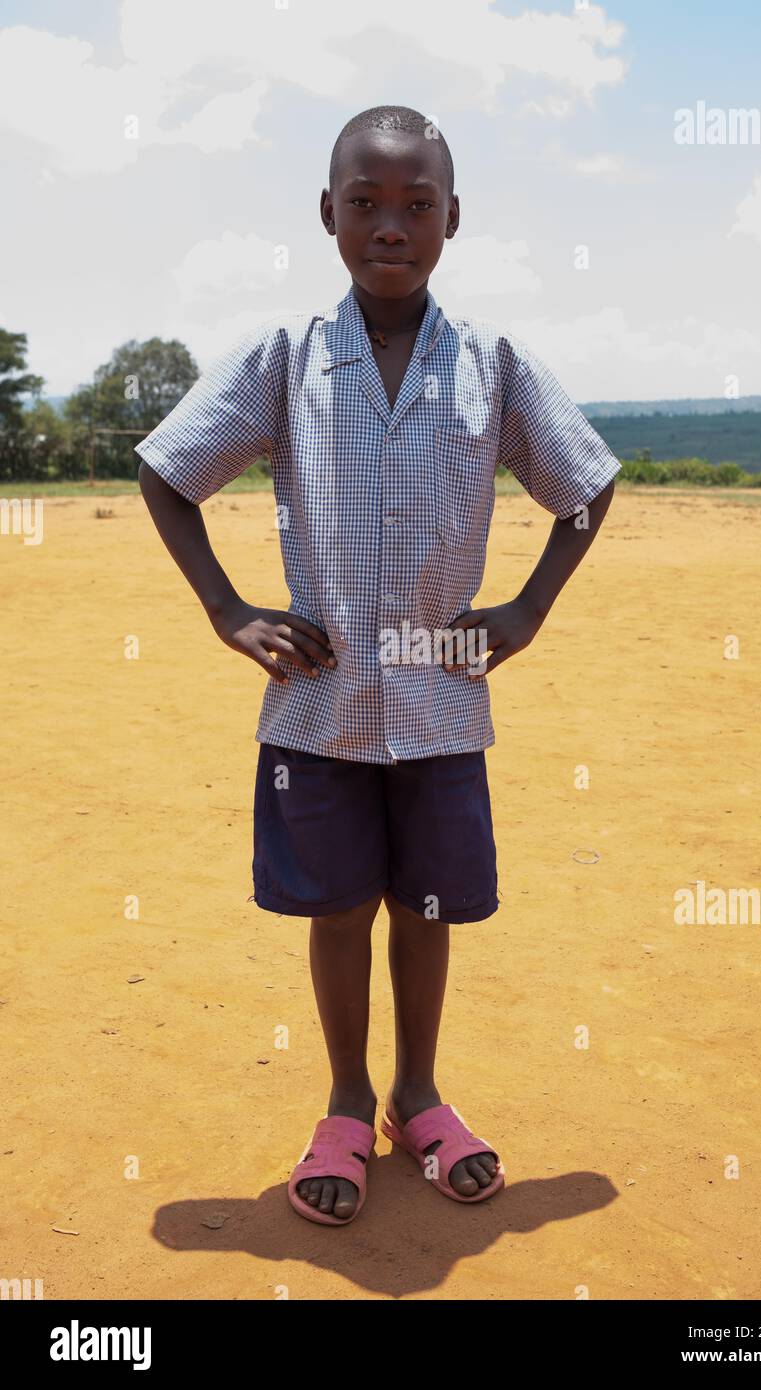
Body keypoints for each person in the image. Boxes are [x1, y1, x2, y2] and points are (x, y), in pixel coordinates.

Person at [137, 104, 620, 1227]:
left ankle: (421, 1093)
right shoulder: (285, 359)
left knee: (430, 905)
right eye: (365, 203)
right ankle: (348, 1103)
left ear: (452, 218)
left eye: (414, 205)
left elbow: (585, 486)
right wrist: (227, 608)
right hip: (321, 706)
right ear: (327, 215)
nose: (389, 225)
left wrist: (525, 609)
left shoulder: (491, 365)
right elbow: (169, 471)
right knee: (340, 906)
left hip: (442, 701)